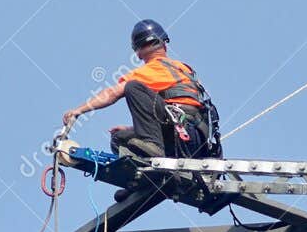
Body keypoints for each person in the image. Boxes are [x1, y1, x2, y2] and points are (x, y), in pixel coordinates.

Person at [61, 19, 220, 161]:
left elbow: (112, 93)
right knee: (120, 137)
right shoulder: (184, 69)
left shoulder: (149, 71)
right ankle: (146, 186)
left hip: (179, 137)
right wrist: (134, 129)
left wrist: (78, 111)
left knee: (133, 87)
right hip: (199, 142)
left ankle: (152, 151)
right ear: (164, 44)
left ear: (138, 53)